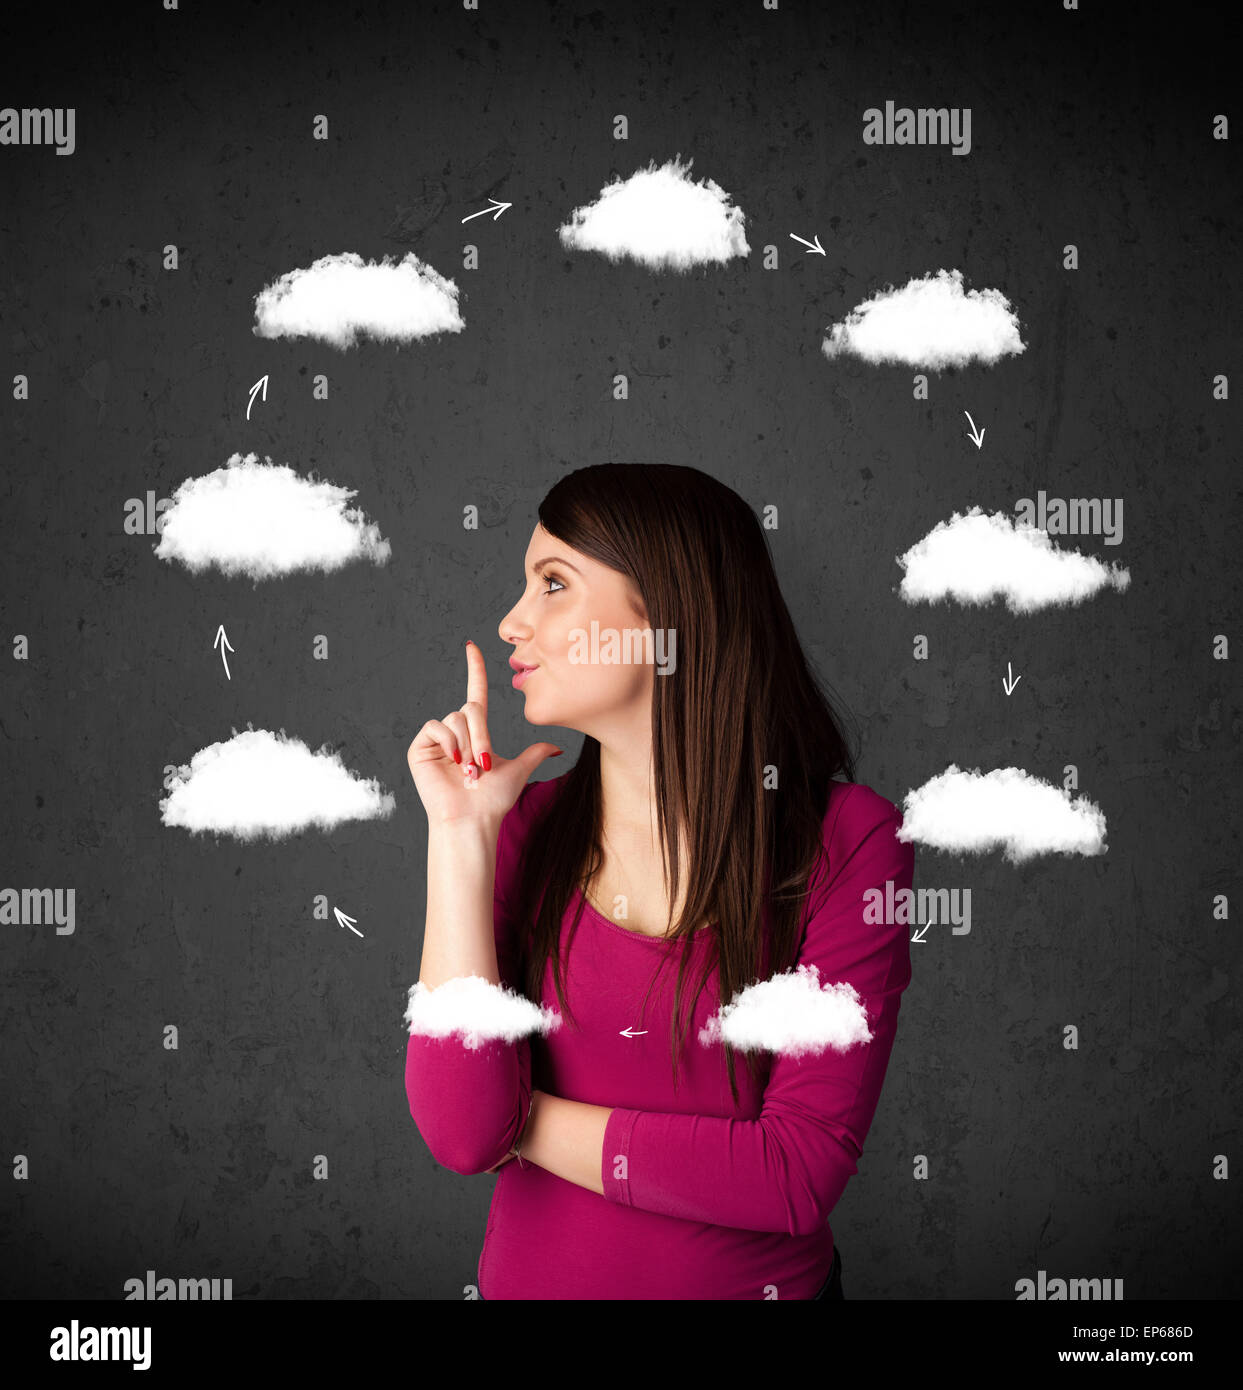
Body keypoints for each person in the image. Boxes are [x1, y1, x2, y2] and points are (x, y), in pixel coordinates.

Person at [404, 462, 914, 1299]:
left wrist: (516, 1114)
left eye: (553, 584)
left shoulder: (849, 843)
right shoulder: (516, 830)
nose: (510, 622)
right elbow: (461, 1137)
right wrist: (459, 837)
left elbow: (793, 1172)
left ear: (665, 613)